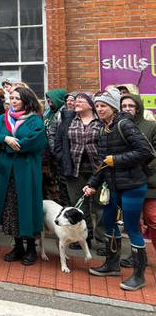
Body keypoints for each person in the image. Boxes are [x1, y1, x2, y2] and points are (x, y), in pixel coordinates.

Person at [83, 89, 153, 291]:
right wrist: (92, 184)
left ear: (113, 107)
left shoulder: (124, 124)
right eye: (97, 105)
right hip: (113, 187)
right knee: (109, 224)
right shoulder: (104, 129)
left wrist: (117, 160)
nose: (99, 109)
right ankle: (112, 265)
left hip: (133, 186)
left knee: (131, 228)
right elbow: (103, 163)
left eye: (103, 105)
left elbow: (145, 151)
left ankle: (139, 276)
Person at [0, 86, 47, 266]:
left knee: (26, 207)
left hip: (26, 170)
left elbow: (35, 141)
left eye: (17, 98)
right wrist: (6, 139)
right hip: (6, 171)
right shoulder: (2, 118)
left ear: (26, 101)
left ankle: (31, 247)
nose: (12, 101)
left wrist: (14, 144)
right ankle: (18, 246)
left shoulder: (35, 121)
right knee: (11, 209)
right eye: (11, 98)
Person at [53, 92, 104, 248]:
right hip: (74, 169)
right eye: (76, 101)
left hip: (99, 170)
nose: (77, 103)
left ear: (91, 104)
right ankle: (84, 237)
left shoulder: (100, 120)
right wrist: (63, 158)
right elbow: (59, 141)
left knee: (100, 205)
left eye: (81, 100)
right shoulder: (68, 118)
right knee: (79, 205)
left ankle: (103, 240)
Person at [119, 93, 156, 269]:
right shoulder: (119, 127)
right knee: (132, 222)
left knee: (153, 219)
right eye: (124, 106)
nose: (127, 109)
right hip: (128, 182)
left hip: (149, 181)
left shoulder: (151, 126)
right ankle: (138, 256)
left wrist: (142, 167)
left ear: (138, 108)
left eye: (130, 106)